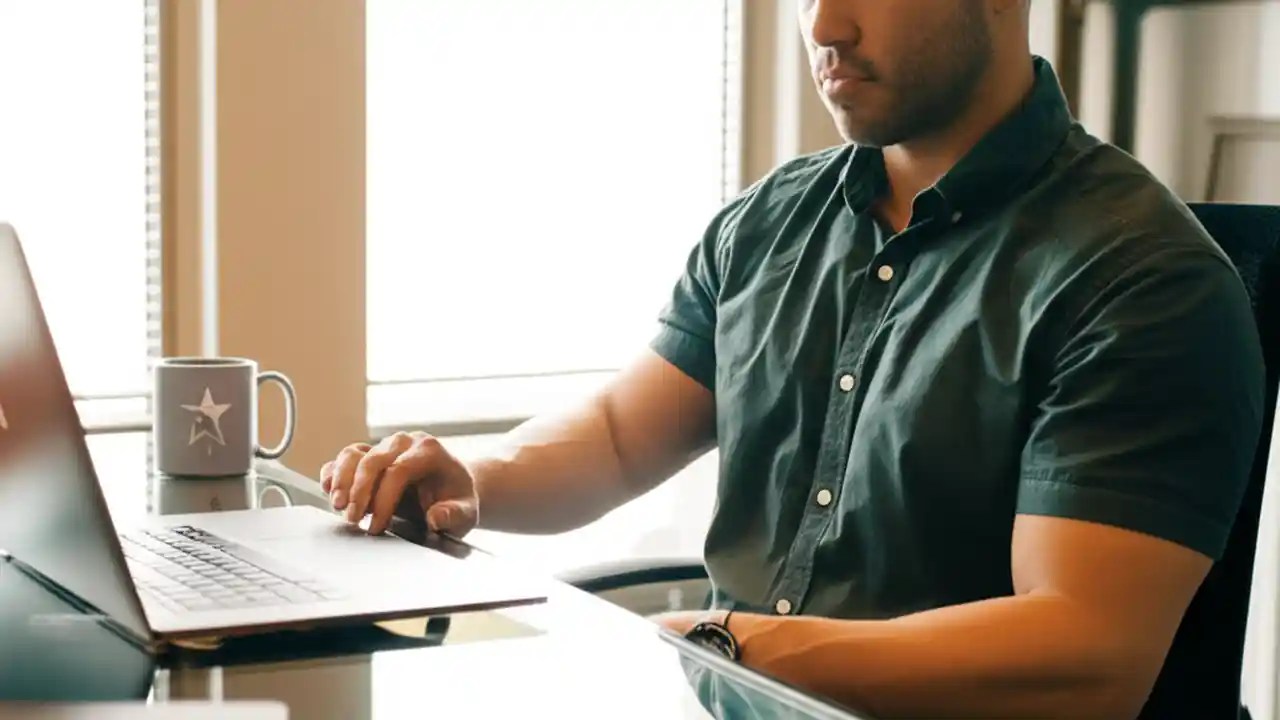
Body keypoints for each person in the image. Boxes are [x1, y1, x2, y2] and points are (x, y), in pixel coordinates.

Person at [322, 0, 1266, 717]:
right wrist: (468, 480)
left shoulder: (1143, 278)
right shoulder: (771, 220)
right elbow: (615, 438)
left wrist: (737, 647)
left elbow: (1089, 651)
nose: (823, 24)